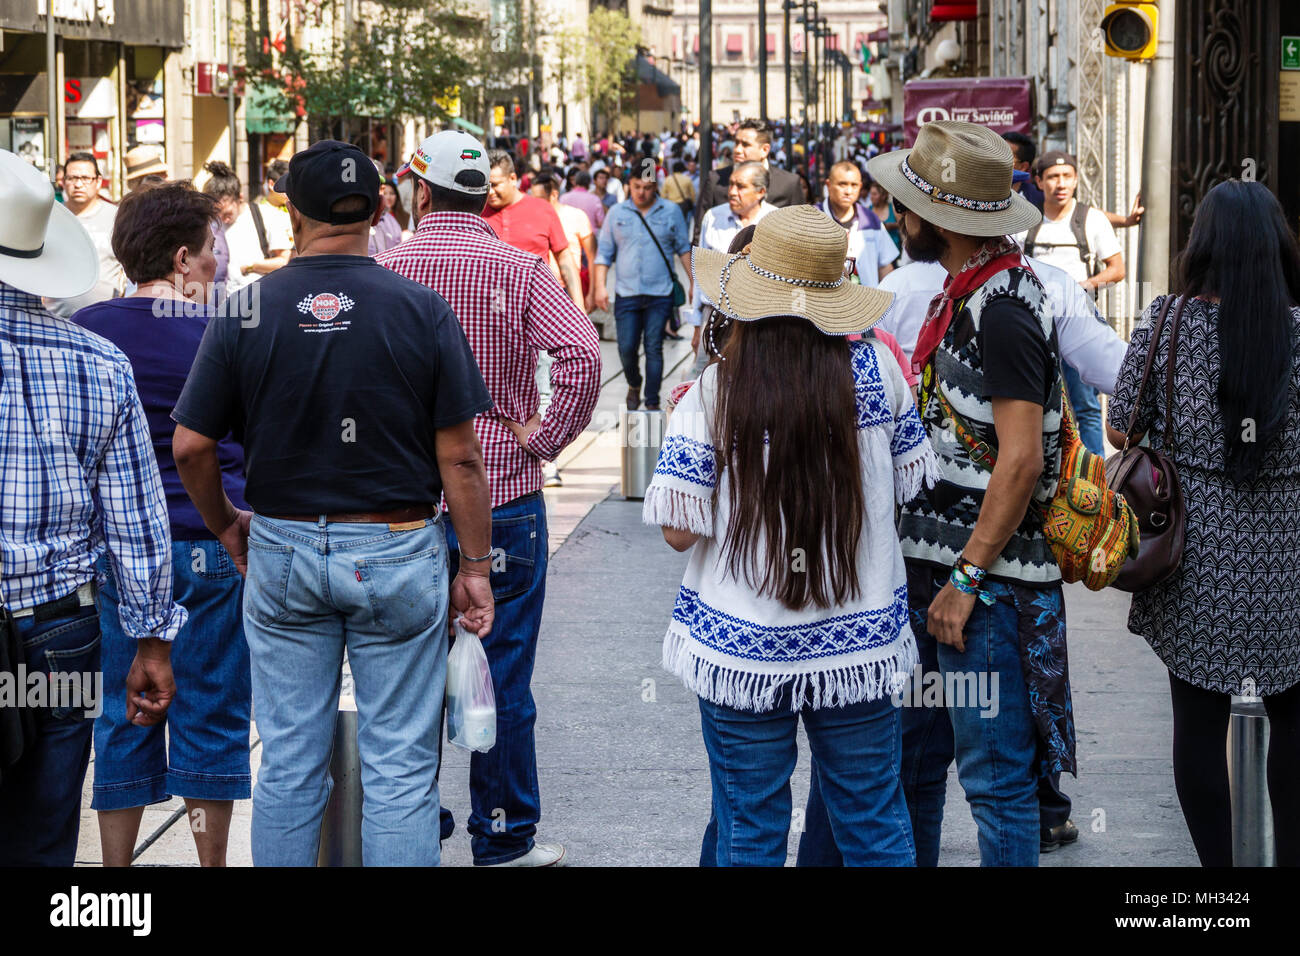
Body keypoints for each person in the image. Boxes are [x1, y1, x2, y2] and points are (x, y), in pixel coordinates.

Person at [170, 140, 496, 867]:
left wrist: (227, 526)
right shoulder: (419, 308)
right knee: (401, 770)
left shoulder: (247, 308)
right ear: (381, 209)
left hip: (283, 547)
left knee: (288, 761)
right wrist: (475, 565)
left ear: (291, 210)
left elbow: (191, 446)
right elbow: (461, 458)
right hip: (397, 545)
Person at [645, 205, 939, 866]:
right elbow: (910, 483)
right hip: (858, 642)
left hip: (740, 646)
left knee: (750, 829)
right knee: (873, 822)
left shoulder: (717, 390)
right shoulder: (878, 372)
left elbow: (676, 531)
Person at [378, 131, 601, 866]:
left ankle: (409, 826)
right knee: (501, 674)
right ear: (485, 194)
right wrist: (541, 439)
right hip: (502, 497)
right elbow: (582, 356)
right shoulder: (519, 268)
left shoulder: (387, 269)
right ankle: (502, 839)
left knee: (401, 674)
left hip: (401, 502)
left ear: (420, 191)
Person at [867, 121, 1071, 867]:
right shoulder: (968, 291)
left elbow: (1019, 461)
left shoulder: (1005, 308)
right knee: (915, 770)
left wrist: (964, 578)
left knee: (994, 782)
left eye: (905, 205)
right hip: (940, 582)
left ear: (938, 217)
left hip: (983, 593)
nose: (897, 216)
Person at [1106, 180, 1300, 867]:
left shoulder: (1170, 321)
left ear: (1203, 244)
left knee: (1196, 722)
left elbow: (1122, 422)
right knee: (1294, 720)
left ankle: (1221, 877)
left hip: (1196, 555)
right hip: (1289, 555)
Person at [0, 148, 185, 866]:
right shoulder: (98, 363)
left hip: (57, 628)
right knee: (46, 836)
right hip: (59, 635)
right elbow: (137, 525)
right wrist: (151, 641)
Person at [72, 182, 252, 867]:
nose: (222, 270)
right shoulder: (222, 335)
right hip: (212, 542)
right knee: (210, 714)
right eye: (215, 254)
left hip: (113, 556)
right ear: (183, 259)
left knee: (123, 712)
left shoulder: (88, 329)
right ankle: (210, 866)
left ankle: (116, 877)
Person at [1016, 150, 1123, 455]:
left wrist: (1082, 287)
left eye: (1066, 176)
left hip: (1079, 318)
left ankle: (1095, 479)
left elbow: (1117, 268)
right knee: (1041, 404)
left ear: (1077, 179)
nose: (1060, 184)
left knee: (1086, 407)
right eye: (1052, 177)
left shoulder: (1092, 219)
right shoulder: (1028, 222)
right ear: (1038, 181)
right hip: (1035, 326)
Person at [594, 156, 692, 411]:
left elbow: (683, 249)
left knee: (654, 347)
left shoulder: (670, 211)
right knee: (626, 348)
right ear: (629, 185)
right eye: (637, 186)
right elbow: (603, 253)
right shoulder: (616, 213)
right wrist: (599, 287)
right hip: (626, 294)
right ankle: (634, 383)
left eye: (647, 187)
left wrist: (695, 284)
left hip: (660, 293)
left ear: (656, 186)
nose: (642, 192)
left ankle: (651, 400)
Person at [690, 162, 776, 375]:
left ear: (761, 192)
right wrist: (696, 325)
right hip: (714, 314)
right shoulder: (712, 217)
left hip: (757, 318)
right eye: (730, 185)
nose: (732, 192)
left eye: (740, 186)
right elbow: (700, 270)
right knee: (705, 375)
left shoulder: (776, 220)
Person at [485, 150, 585, 312]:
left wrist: (579, 309)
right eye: (486, 185)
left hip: (538, 304)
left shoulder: (542, 209)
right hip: (493, 308)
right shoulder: (478, 212)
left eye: (495, 185)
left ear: (513, 179)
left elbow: (564, 257)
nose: (489, 192)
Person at [692, 118, 804, 243]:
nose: (737, 150)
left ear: (765, 150)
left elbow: (799, 235)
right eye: (736, 143)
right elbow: (699, 235)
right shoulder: (716, 180)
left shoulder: (788, 183)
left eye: (745, 145)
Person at [46, 151, 124, 317]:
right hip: (59, 319)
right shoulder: (50, 216)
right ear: (63, 182)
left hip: (106, 319)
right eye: (72, 178)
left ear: (98, 181)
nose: (79, 184)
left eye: (85, 178)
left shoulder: (117, 218)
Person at [818, 160, 897, 288]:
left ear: (860, 187)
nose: (848, 191)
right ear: (829, 185)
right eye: (842, 184)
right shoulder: (814, 217)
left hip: (867, 302)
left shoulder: (871, 219)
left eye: (854, 185)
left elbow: (885, 266)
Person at [220, 160, 293, 290]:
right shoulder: (262, 212)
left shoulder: (293, 209)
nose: (292, 191)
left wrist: (251, 266)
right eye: (288, 185)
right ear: (271, 184)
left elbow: (284, 259)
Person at [1001, 132, 1045, 211]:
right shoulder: (977, 194)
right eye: (995, 154)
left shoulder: (1037, 201)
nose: (996, 161)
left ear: (1023, 167)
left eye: (1005, 157)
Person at [867, 180, 901, 257]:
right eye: (871, 194)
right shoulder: (867, 210)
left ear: (883, 196)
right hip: (874, 253)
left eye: (874, 194)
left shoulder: (893, 209)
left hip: (893, 252)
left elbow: (902, 225)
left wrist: (893, 226)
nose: (871, 197)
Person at [660, 159, 696, 225]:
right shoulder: (687, 179)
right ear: (682, 169)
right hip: (684, 206)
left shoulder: (667, 180)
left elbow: (663, 195)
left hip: (672, 206)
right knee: (684, 224)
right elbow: (693, 195)